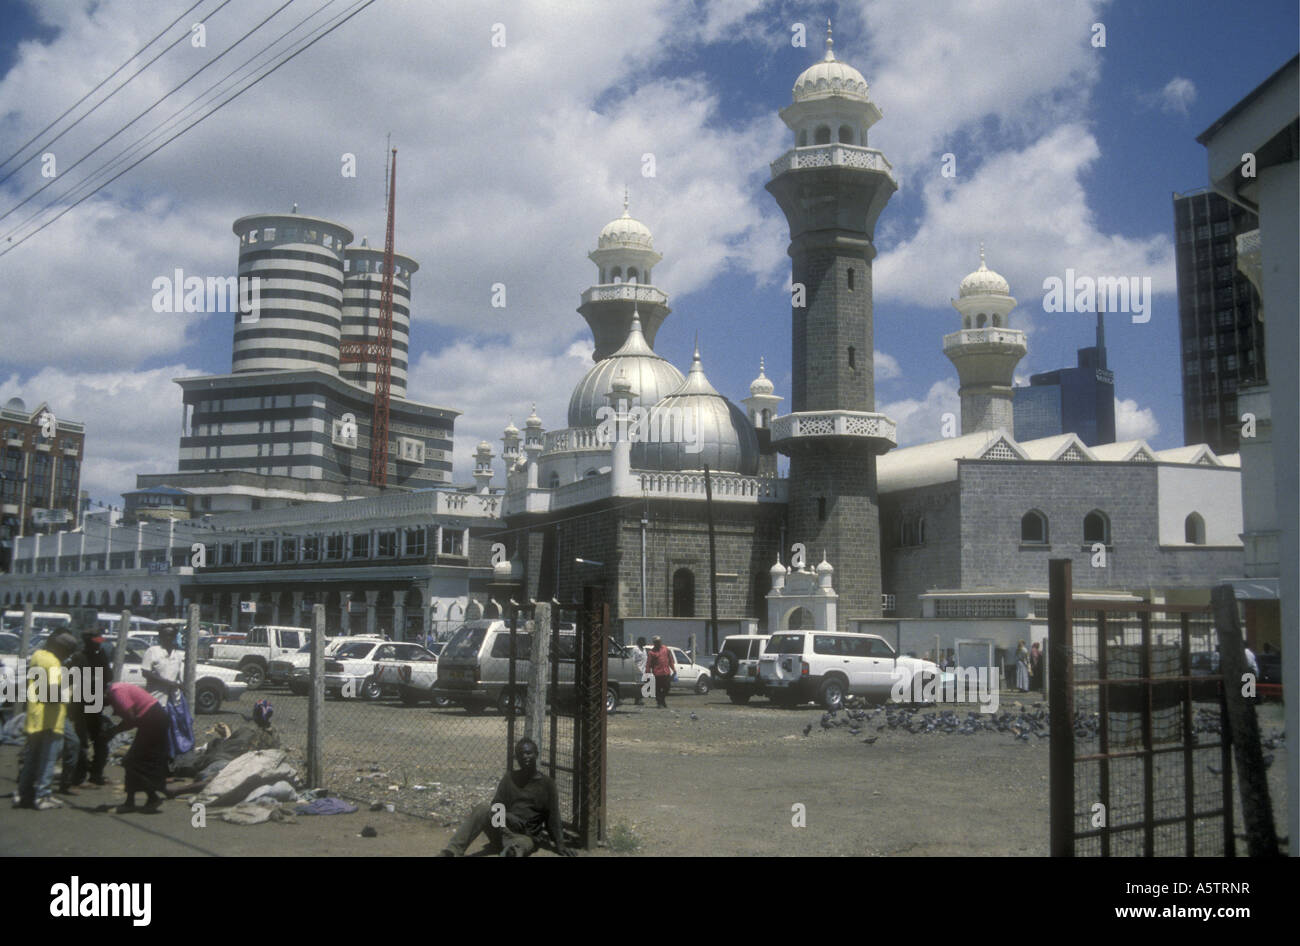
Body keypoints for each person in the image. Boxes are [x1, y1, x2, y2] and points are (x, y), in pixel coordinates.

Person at [438, 738, 574, 857]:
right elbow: (496, 805)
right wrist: (508, 816)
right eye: (521, 754)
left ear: (536, 755)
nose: (525, 757)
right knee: (482, 809)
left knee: (518, 847)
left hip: (525, 835)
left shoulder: (547, 784)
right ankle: (452, 851)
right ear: (517, 758)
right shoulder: (509, 778)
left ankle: (510, 852)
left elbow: (553, 817)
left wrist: (560, 844)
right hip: (502, 829)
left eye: (529, 753)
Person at [15, 631, 78, 810]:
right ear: (61, 648)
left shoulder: (37, 656)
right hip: (50, 719)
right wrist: (68, 692)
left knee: (31, 759)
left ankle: (23, 794)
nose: (68, 656)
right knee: (48, 760)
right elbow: (51, 693)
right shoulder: (52, 662)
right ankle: (43, 796)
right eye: (68, 651)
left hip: (35, 716)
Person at [103, 682, 170, 814]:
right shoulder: (116, 689)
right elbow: (131, 718)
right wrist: (115, 730)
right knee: (133, 761)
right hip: (153, 719)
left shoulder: (117, 692)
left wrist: (113, 731)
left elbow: (131, 719)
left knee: (132, 761)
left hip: (153, 720)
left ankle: (148, 798)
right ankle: (134, 801)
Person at [644, 635, 676, 708]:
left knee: (667, 687)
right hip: (657, 673)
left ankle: (662, 699)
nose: (658, 643)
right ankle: (659, 703)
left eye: (659, 641)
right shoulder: (651, 652)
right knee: (657, 689)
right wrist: (647, 674)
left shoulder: (666, 649)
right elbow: (648, 664)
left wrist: (674, 670)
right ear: (654, 643)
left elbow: (670, 660)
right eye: (657, 642)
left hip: (666, 672)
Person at [631, 637, 648, 706]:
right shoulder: (635, 649)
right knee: (638, 686)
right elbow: (632, 660)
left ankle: (639, 699)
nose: (645, 643)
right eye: (643, 641)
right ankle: (637, 700)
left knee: (642, 686)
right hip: (637, 670)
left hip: (643, 671)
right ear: (640, 642)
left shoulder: (644, 650)